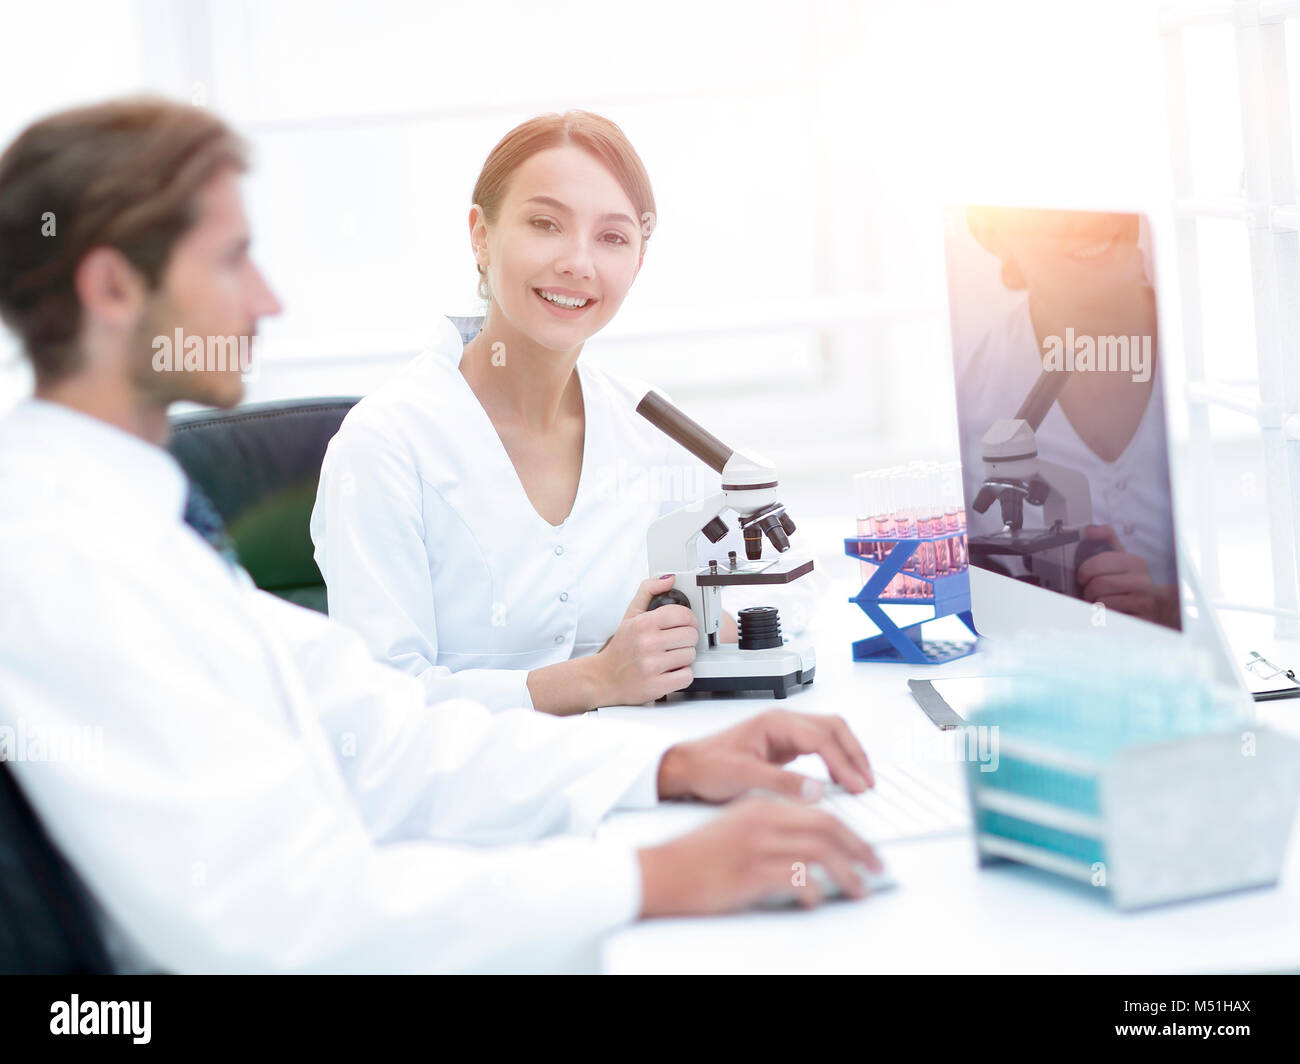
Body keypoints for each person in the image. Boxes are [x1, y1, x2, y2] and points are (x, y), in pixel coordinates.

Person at [0, 97, 881, 974]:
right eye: (233, 259)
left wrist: (667, 769)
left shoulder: (139, 523)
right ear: (113, 287)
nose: (270, 298)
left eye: (615, 236)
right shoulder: (65, 558)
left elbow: (384, 735)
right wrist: (645, 877)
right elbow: (269, 918)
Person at [310, 111, 820, 716]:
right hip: (470, 804)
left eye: (612, 237)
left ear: (637, 260)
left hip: (644, 775)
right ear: (480, 235)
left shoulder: (647, 427)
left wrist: (700, 632)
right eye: (546, 224)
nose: (578, 262)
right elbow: (379, 706)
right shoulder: (384, 446)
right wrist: (597, 678)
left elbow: (795, 589)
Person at [953, 207, 1180, 629]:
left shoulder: (1232, 367)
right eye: (1047, 207)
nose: (1086, 219)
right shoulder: (968, 384)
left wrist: (1170, 607)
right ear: (992, 228)